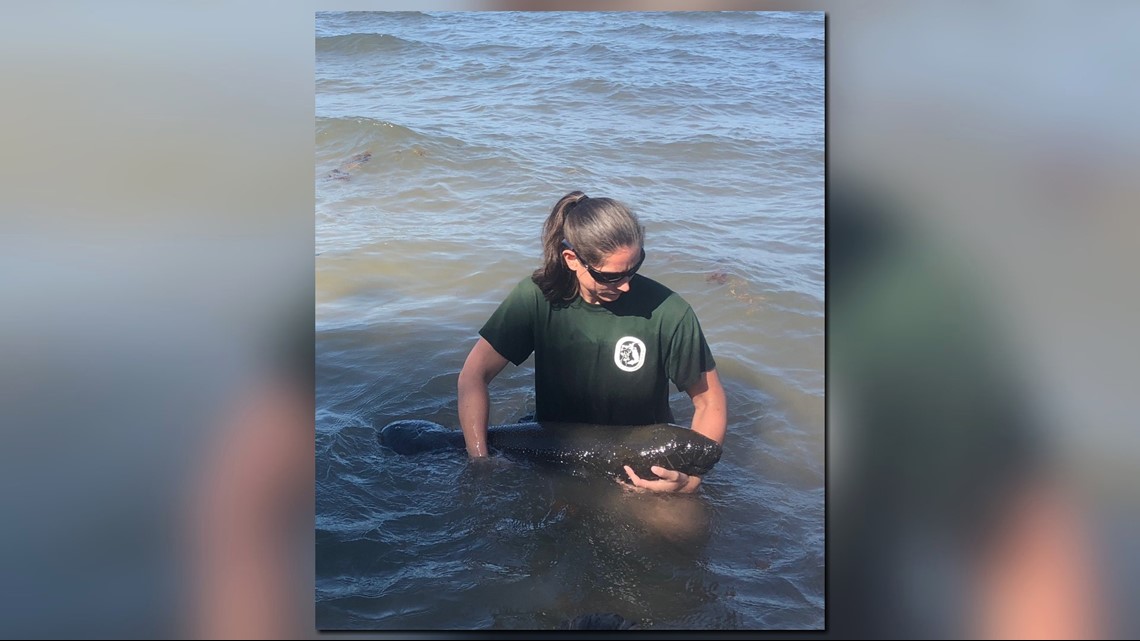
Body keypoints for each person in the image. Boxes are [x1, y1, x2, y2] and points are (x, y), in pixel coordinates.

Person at [457, 191, 726, 494]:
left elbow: (709, 401)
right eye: (610, 276)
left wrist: (689, 481)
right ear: (572, 259)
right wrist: (480, 460)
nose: (626, 285)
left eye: (634, 268)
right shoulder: (536, 298)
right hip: (555, 455)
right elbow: (473, 375)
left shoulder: (669, 312)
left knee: (679, 534)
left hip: (642, 466)